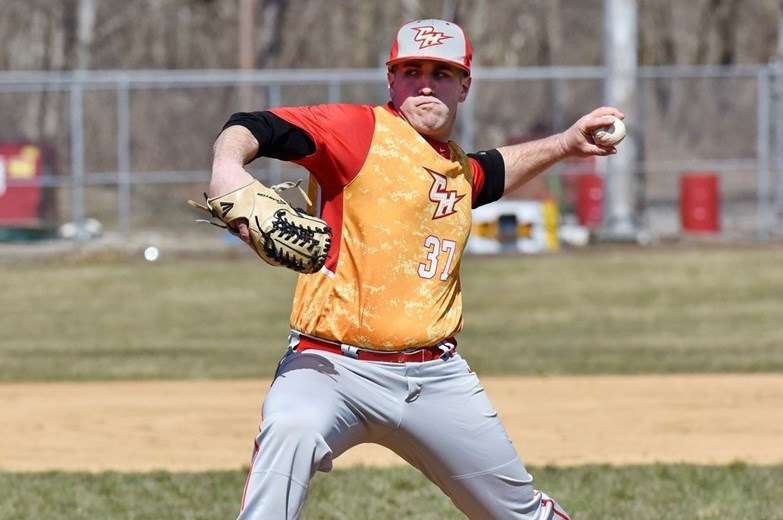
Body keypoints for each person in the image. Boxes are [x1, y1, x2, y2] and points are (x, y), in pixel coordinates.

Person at [209, 18, 623, 520]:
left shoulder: (453, 166)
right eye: (412, 70)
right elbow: (254, 125)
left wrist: (564, 143)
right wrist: (228, 169)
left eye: (441, 72)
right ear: (391, 79)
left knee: (521, 514)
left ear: (464, 85)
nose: (425, 82)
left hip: (436, 376)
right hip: (328, 367)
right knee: (289, 432)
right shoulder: (357, 131)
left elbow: (486, 173)